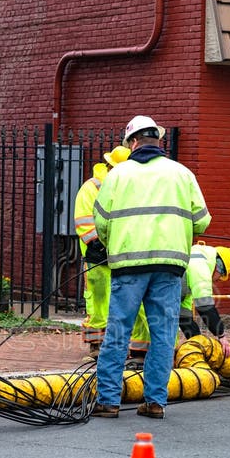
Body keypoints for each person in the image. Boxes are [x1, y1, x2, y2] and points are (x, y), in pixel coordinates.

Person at [91, 115, 212, 419]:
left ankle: (108, 401)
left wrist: (112, 243)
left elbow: (102, 221)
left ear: (132, 143)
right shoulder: (182, 174)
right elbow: (202, 220)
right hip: (169, 266)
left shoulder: (118, 175)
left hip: (128, 265)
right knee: (163, 335)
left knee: (118, 331)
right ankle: (155, 402)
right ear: (158, 141)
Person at [73, 146, 150, 360]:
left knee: (134, 301)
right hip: (98, 255)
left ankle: (139, 348)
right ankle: (97, 346)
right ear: (111, 168)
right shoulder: (92, 188)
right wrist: (97, 244)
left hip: (125, 254)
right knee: (99, 301)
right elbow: (83, 219)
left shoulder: (131, 187)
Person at [179, 243, 230, 358]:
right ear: (219, 267)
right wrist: (221, 335)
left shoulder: (194, 262)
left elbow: (183, 315)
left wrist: (198, 342)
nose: (218, 280)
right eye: (221, 276)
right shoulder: (202, 267)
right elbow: (205, 307)